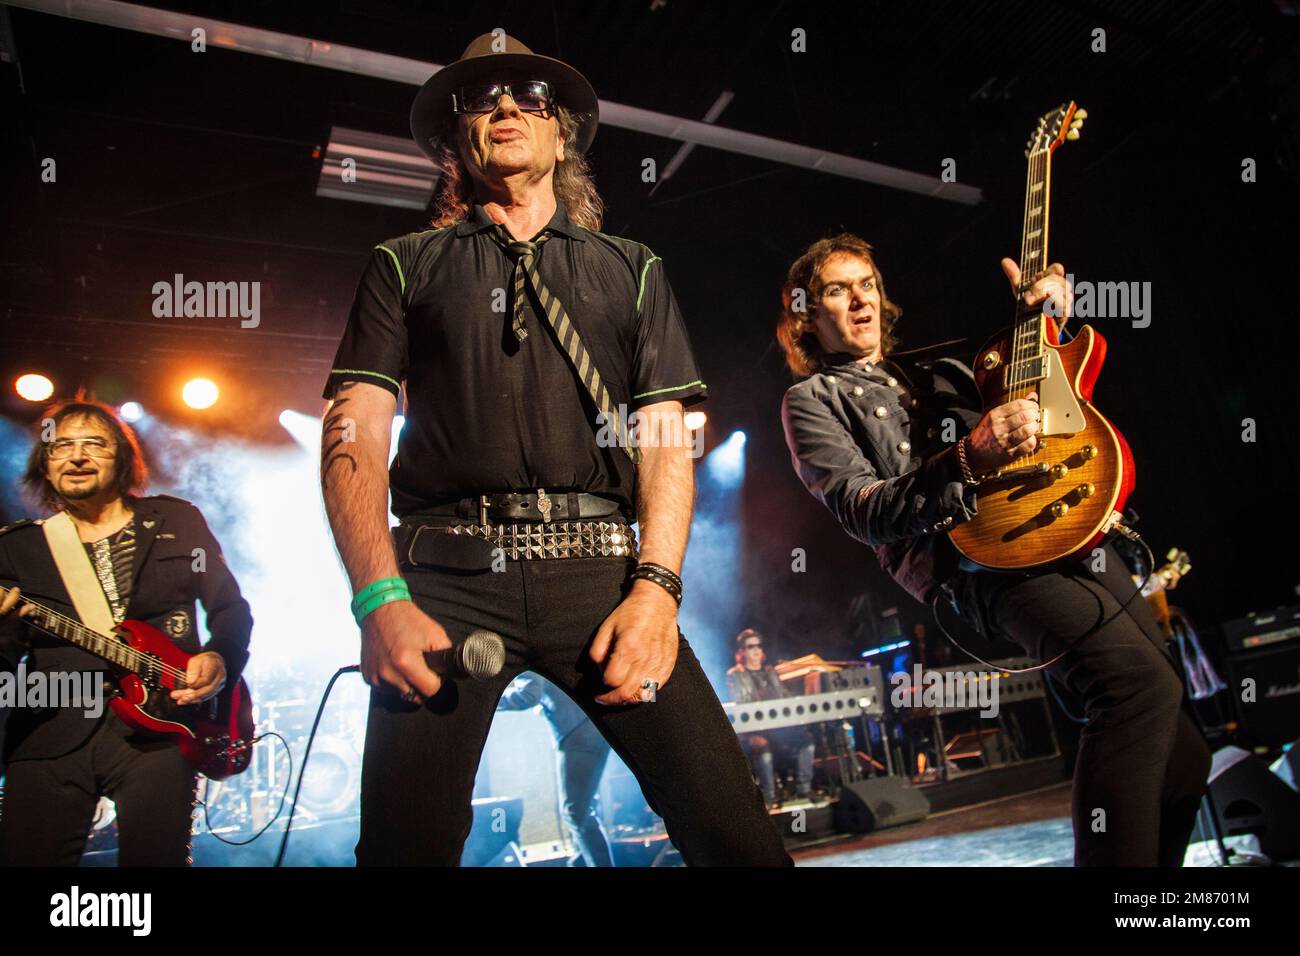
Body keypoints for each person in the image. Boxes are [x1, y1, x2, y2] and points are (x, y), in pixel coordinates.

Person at [320, 32, 789, 866]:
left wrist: (657, 591)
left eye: (530, 94)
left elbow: (666, 443)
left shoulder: (633, 269)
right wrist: (377, 600)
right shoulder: (401, 265)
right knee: (402, 849)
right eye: (481, 98)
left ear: (561, 133)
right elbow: (351, 427)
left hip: (604, 573)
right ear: (453, 140)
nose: (506, 106)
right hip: (447, 579)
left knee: (734, 836)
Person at [778, 233, 1211, 866]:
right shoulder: (810, 401)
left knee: (1180, 742)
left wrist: (1048, 320)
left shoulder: (944, 365)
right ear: (808, 317)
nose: (860, 300)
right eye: (836, 291)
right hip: (983, 561)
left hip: (1069, 528)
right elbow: (864, 510)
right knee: (1132, 691)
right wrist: (967, 454)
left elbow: (1056, 406)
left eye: (867, 284)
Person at [0, 397, 251, 865]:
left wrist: (219, 657)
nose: (76, 456)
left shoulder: (176, 521)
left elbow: (231, 607)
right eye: (61, 447)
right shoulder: (18, 548)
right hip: (49, 730)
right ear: (44, 464)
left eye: (93, 444)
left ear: (122, 456)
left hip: (161, 730)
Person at [496, 672, 614, 866]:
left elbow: (529, 694)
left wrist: (492, 701)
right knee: (583, 808)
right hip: (593, 728)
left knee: (575, 813)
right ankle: (580, 862)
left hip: (577, 736)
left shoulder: (522, 650)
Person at [726, 629, 816, 805]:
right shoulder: (735, 675)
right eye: (751, 646)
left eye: (759, 645)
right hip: (753, 732)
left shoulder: (770, 671)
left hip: (780, 730)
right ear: (741, 651)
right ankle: (768, 797)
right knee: (763, 748)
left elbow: (785, 696)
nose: (756, 650)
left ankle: (804, 790)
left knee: (806, 741)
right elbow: (739, 704)